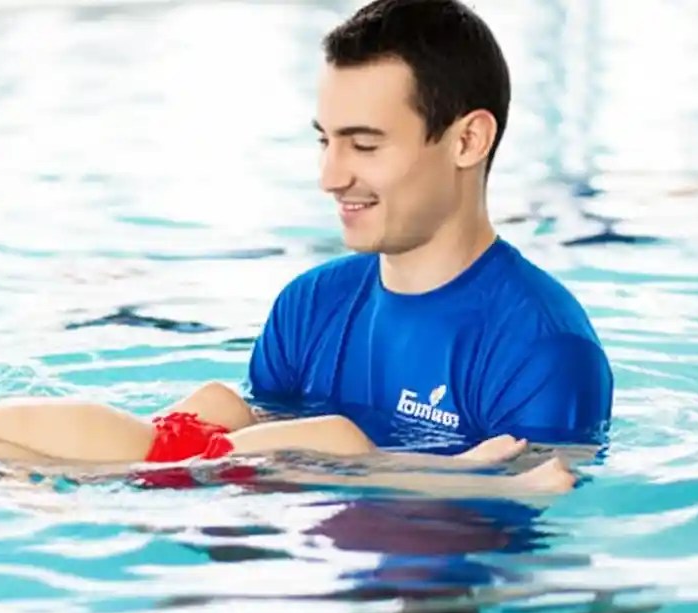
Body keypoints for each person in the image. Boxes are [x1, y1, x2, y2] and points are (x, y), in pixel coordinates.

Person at [249, 0, 614, 452]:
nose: (330, 178)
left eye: (364, 145)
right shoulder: (306, 310)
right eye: (326, 141)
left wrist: (349, 452)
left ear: (467, 141)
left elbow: (517, 502)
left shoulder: (543, 352)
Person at [0, 333, 576, 498]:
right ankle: (472, 480)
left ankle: (257, 458)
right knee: (336, 438)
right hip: (171, 468)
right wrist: (182, 471)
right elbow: (32, 484)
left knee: (218, 394)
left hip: (171, 437)